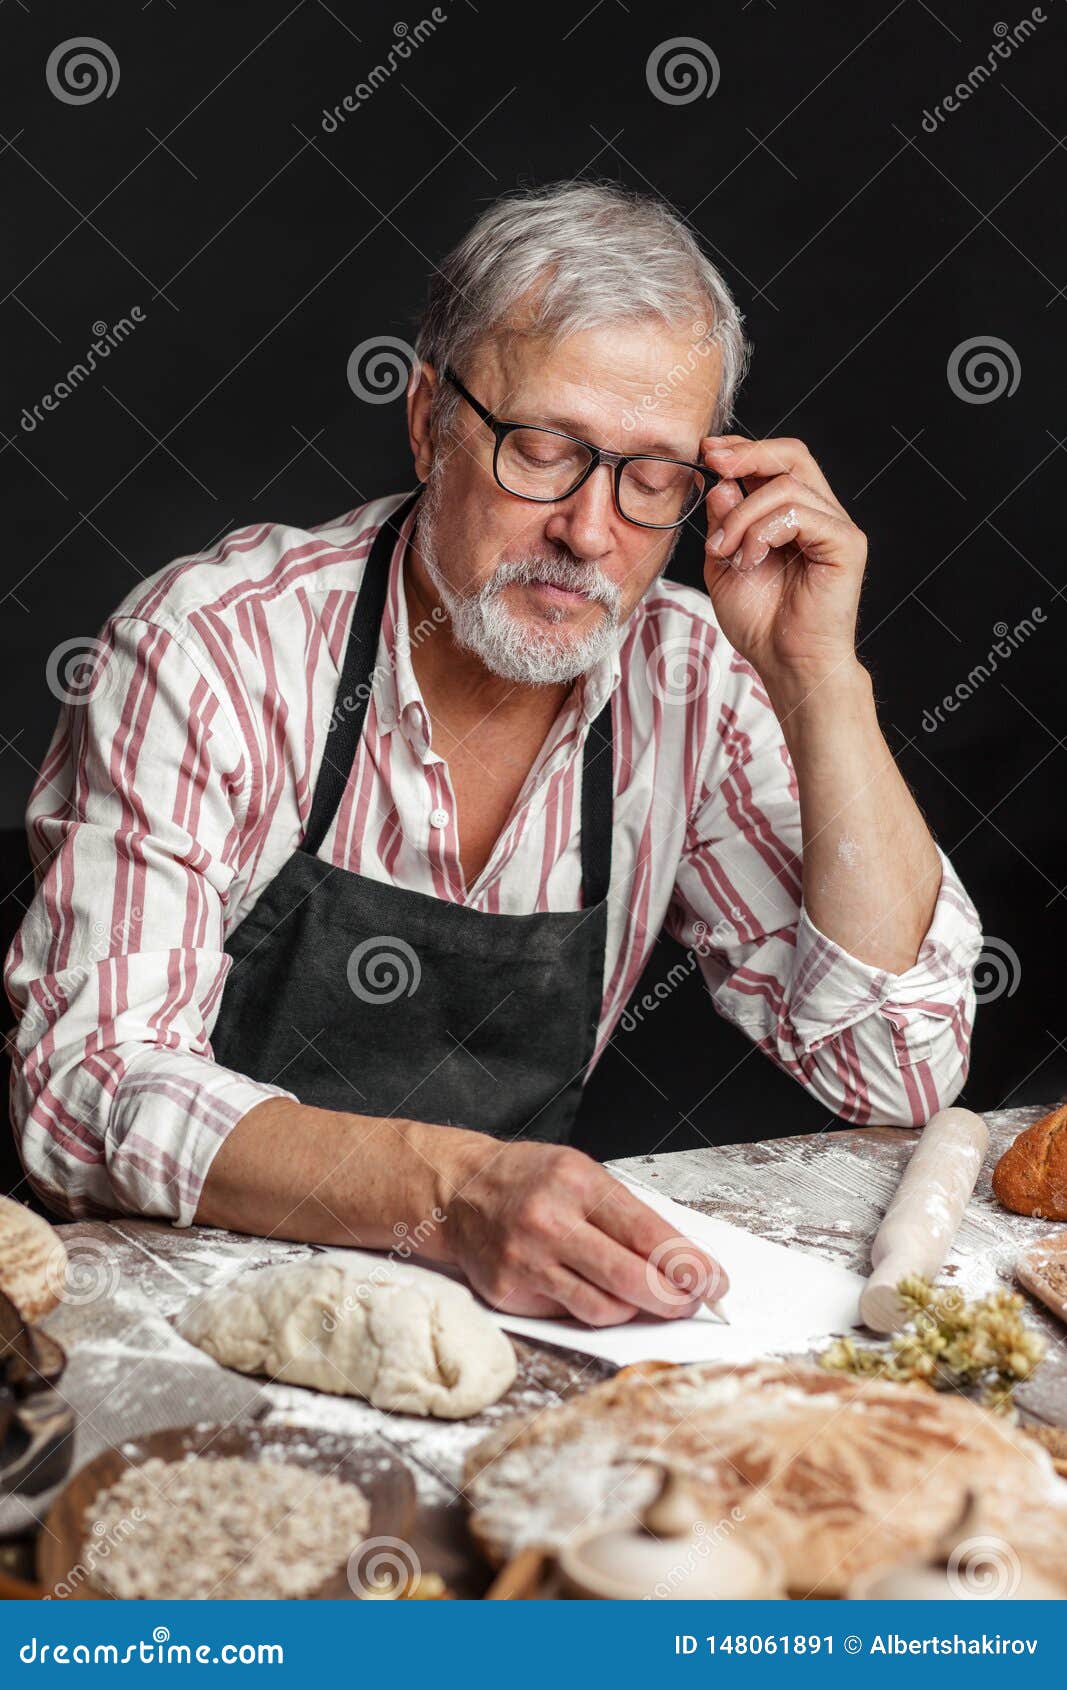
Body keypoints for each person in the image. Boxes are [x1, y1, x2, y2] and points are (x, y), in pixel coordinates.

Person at [5, 182, 981, 1327]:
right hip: (169, 1308)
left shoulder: (694, 679)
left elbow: (896, 1068)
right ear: (427, 420)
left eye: (649, 475)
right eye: (542, 450)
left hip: (495, 1325)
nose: (588, 529)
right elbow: (83, 1089)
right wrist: (455, 1190)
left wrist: (820, 678)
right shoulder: (215, 649)